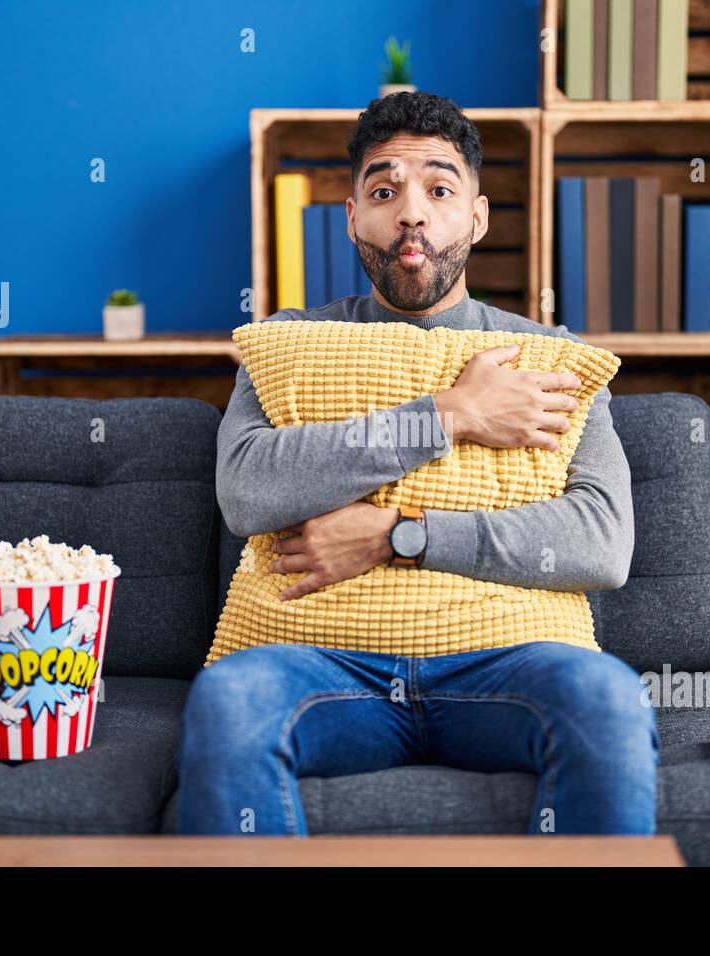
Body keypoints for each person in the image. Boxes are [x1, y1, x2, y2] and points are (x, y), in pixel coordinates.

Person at [177, 91, 658, 836]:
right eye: (383, 189)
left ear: (477, 216)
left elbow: (602, 541)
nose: (411, 212)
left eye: (438, 188)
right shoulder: (287, 343)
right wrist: (451, 414)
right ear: (352, 217)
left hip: (506, 668)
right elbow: (247, 489)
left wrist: (402, 533)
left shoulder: (552, 356)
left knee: (607, 697)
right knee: (227, 701)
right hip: (327, 672)